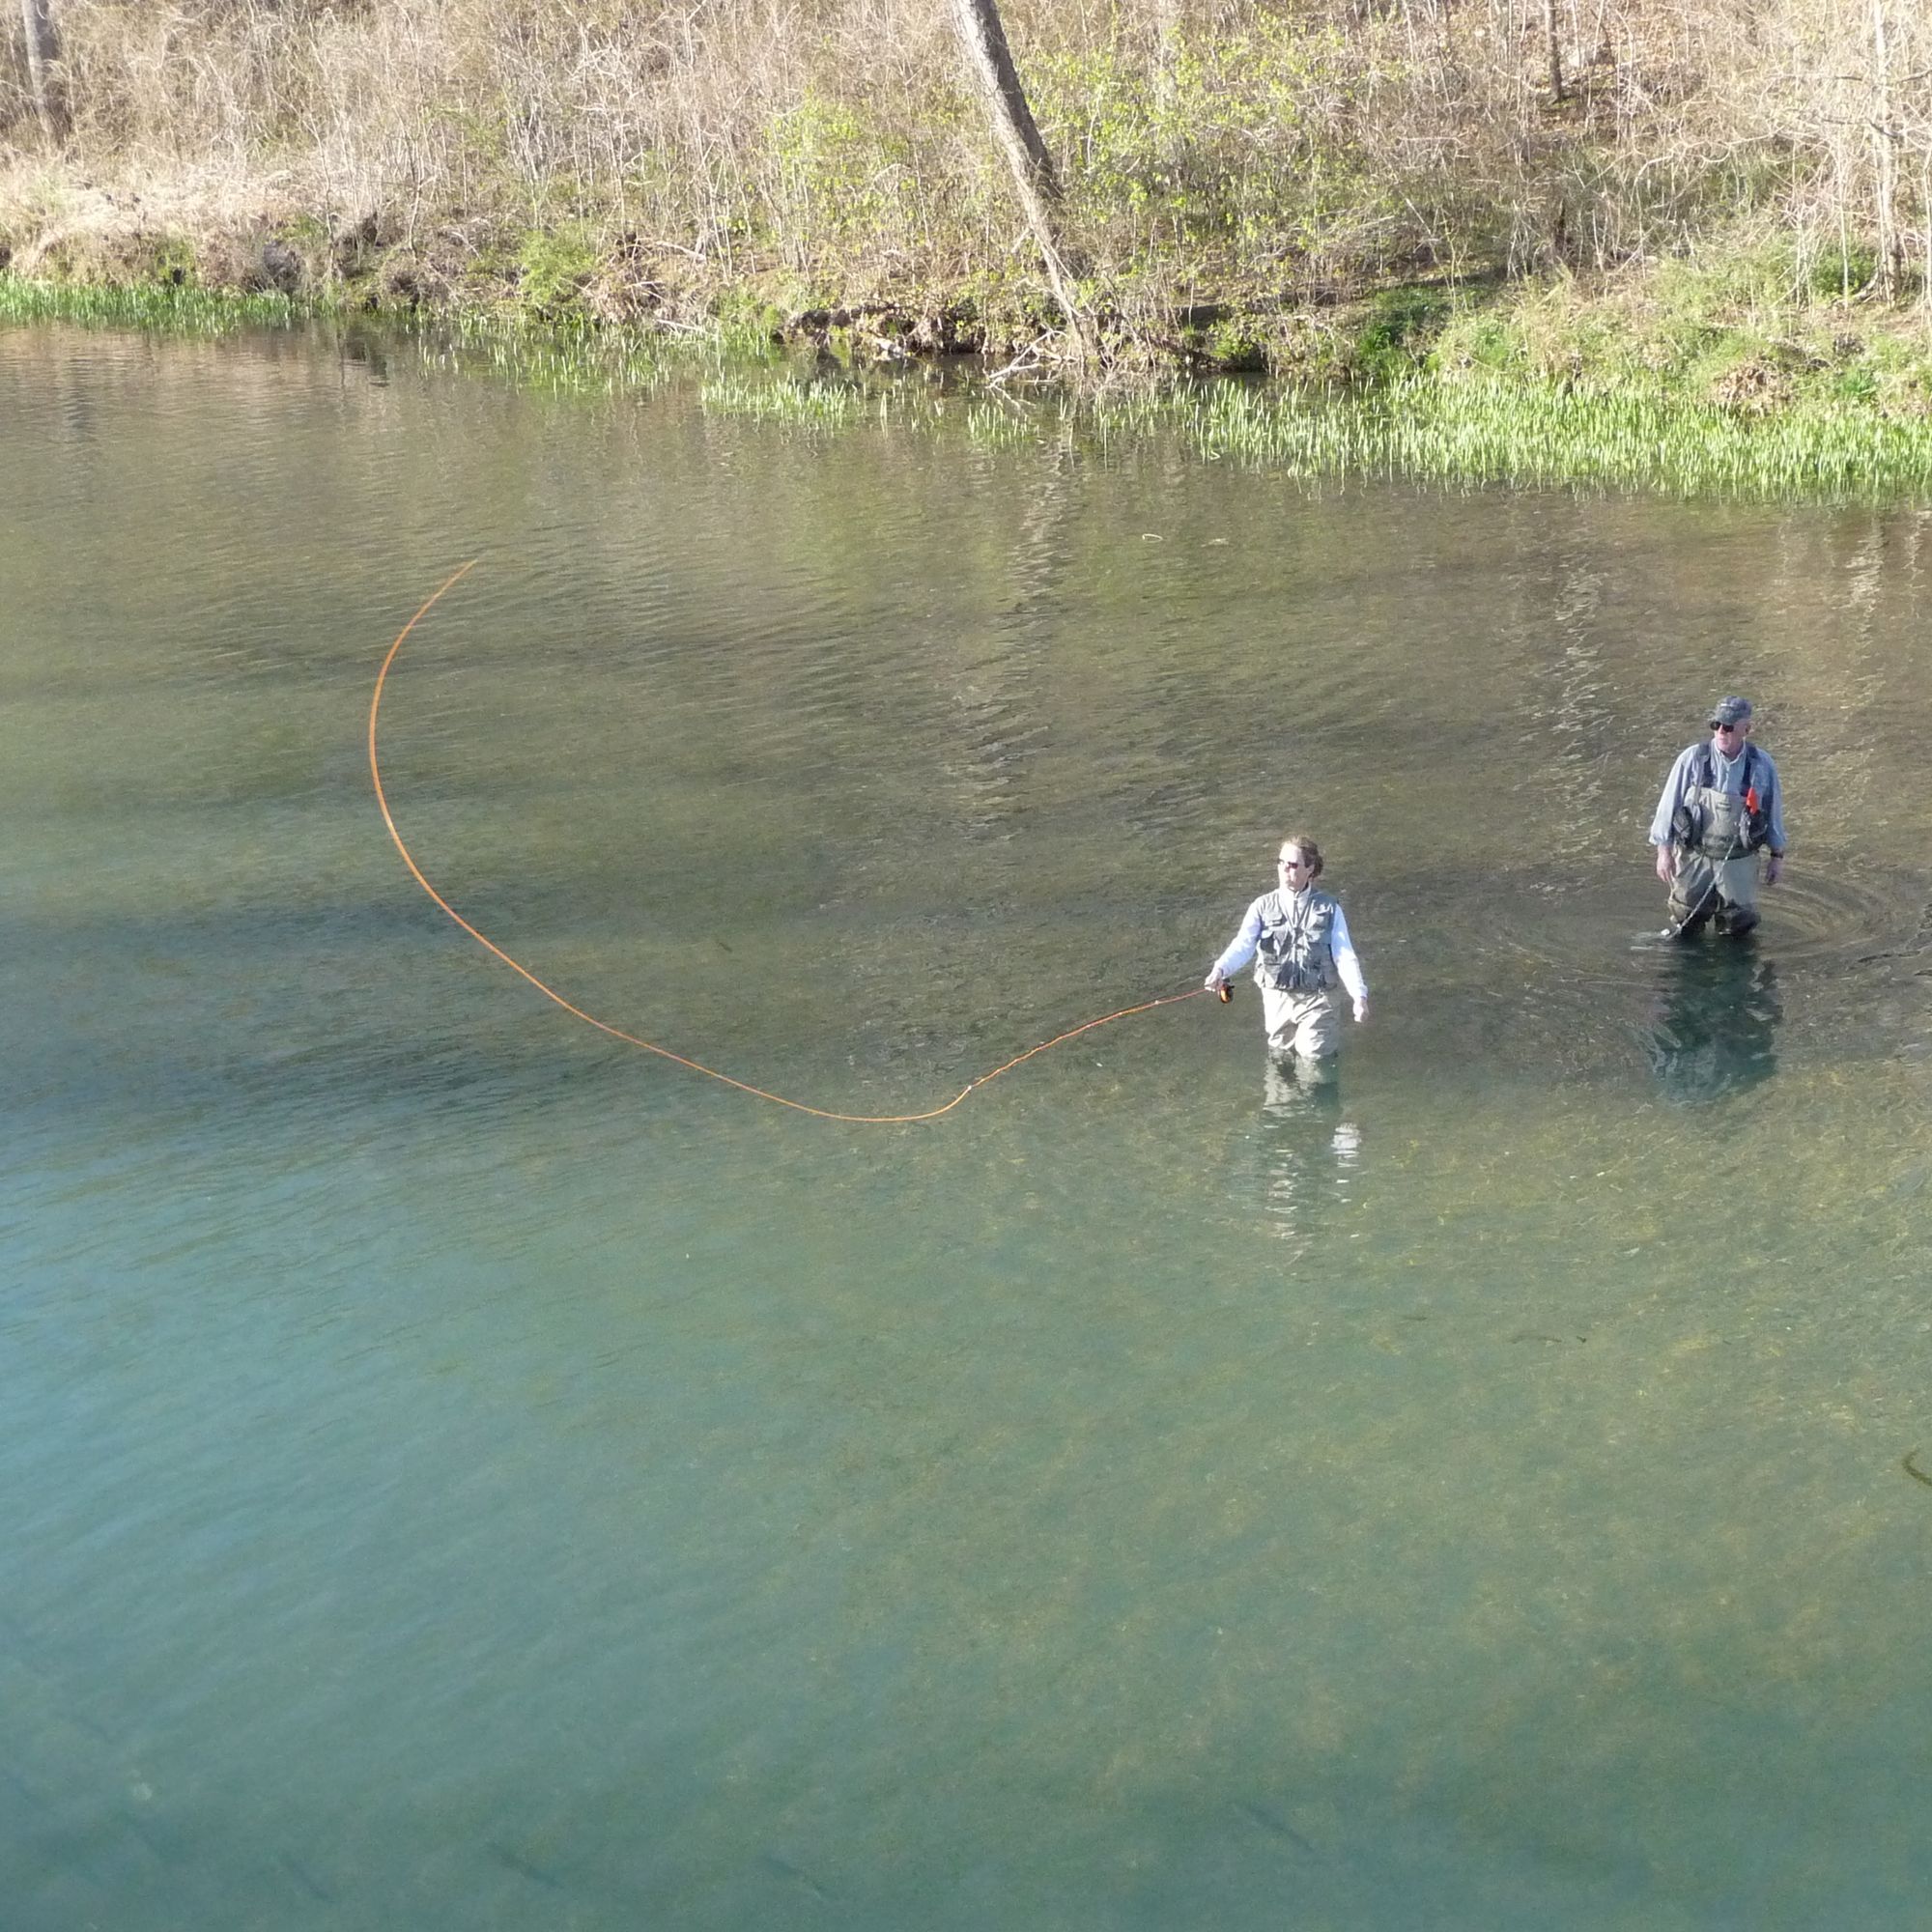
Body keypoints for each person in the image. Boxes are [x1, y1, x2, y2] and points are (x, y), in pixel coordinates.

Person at [1205, 836, 1369, 1065]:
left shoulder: (1329, 908)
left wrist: (1358, 996)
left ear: (1310, 869)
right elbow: (1243, 944)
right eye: (1281, 862)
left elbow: (1344, 955)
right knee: (1281, 1062)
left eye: (1292, 865)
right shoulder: (1261, 906)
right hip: (1276, 998)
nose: (1284, 869)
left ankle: (1318, 1097)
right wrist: (1220, 969)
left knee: (1314, 1060)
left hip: (1319, 999)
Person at [1648, 696, 1788, 939]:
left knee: (1739, 927)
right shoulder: (1692, 758)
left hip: (1739, 861)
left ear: (1747, 729)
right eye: (1717, 725)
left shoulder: (1762, 764)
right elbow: (1667, 806)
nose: (1722, 731)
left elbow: (1773, 811)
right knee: (1685, 922)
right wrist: (1664, 852)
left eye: (1729, 727)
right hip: (1695, 858)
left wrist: (1777, 856)